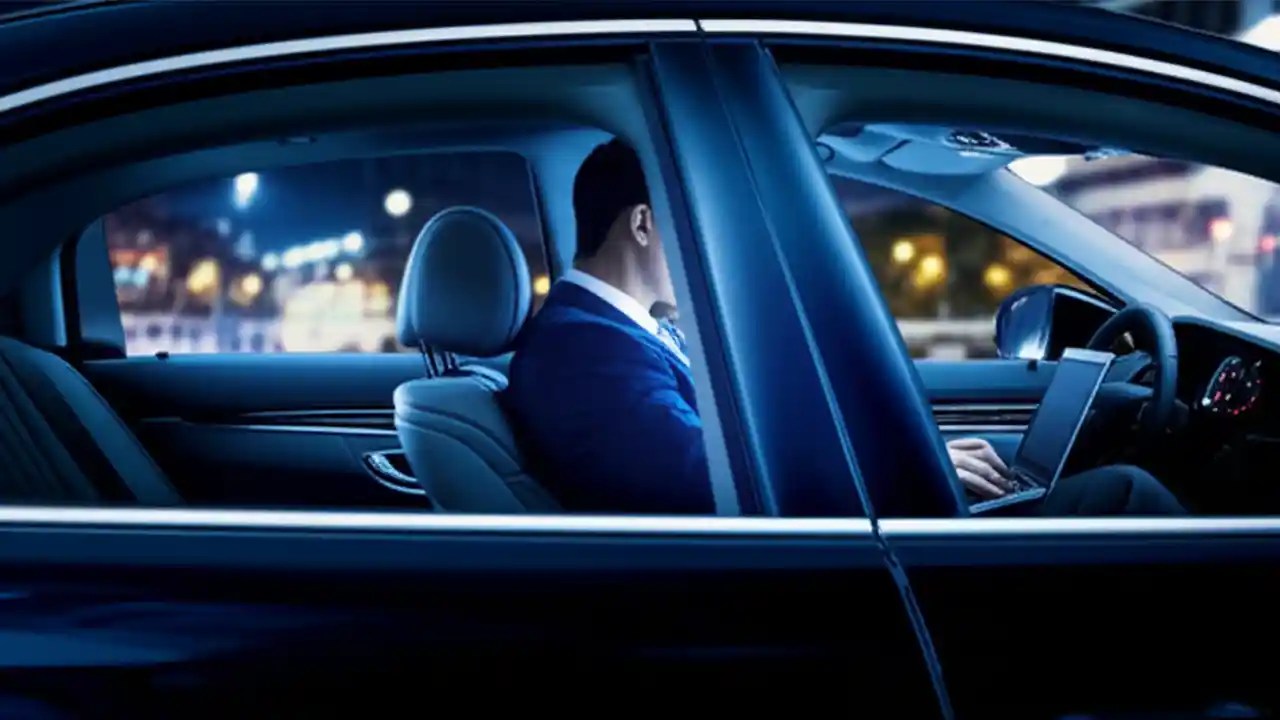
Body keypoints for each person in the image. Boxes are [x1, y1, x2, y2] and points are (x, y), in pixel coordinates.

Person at [504, 138, 1183, 516]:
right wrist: (888, 467)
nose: (713, 250)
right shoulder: (581, 349)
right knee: (1124, 496)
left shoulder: (609, 333)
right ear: (646, 224)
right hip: (771, 592)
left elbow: (729, 442)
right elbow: (702, 477)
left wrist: (909, 452)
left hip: (799, 553)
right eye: (700, 224)